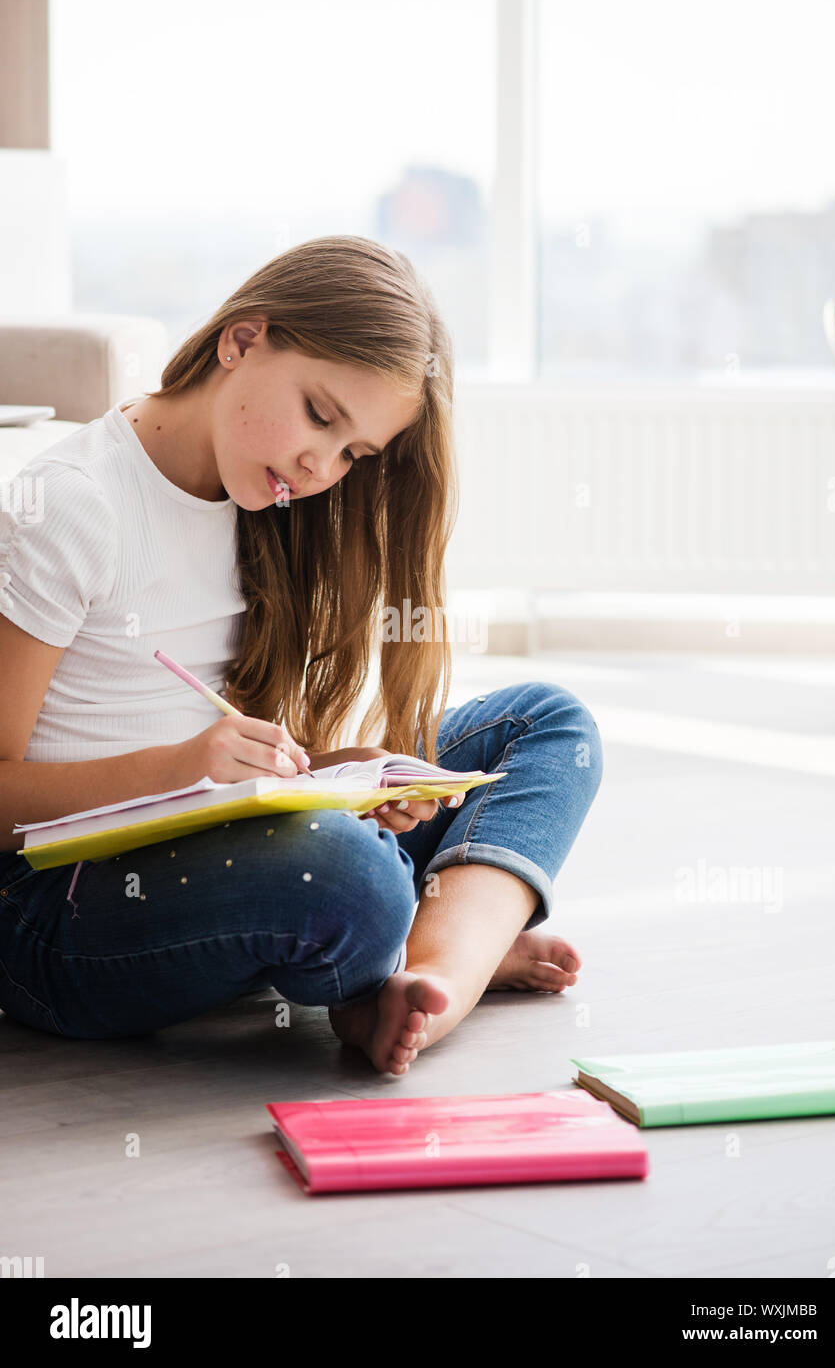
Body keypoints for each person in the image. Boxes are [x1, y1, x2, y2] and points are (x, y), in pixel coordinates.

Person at [0, 235, 602, 1075]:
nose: (323, 467)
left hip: (223, 841)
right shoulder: (73, 507)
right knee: (345, 875)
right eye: (321, 415)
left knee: (544, 723)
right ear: (241, 341)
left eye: (354, 453)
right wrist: (181, 770)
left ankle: (431, 972)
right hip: (58, 908)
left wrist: (331, 773)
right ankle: (416, 947)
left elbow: (233, 770)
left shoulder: (267, 509)